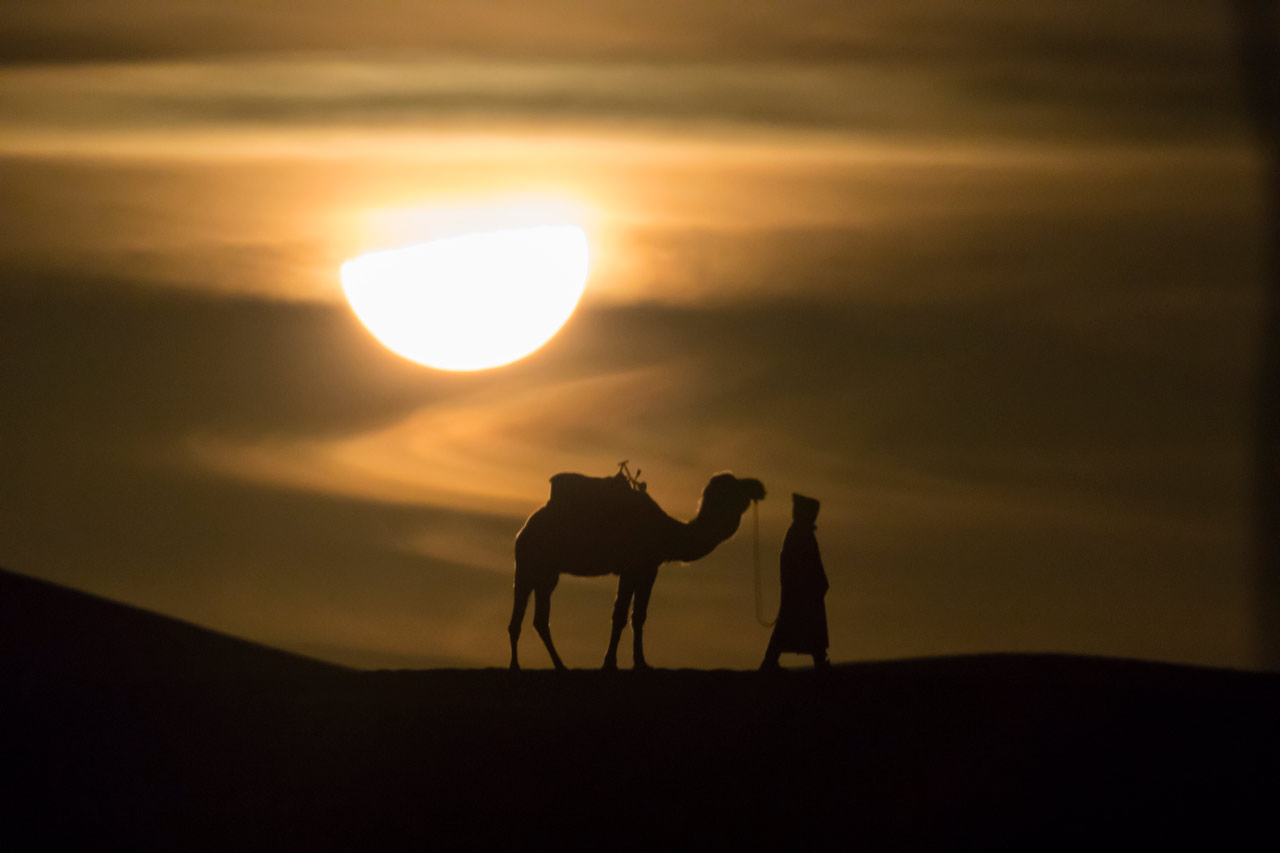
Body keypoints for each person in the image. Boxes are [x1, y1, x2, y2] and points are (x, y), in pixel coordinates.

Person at [761, 493, 830, 670]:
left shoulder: (799, 533)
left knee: (798, 627)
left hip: (803, 590)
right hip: (801, 591)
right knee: (793, 626)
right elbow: (804, 563)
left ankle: (819, 661)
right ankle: (771, 663)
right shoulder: (799, 534)